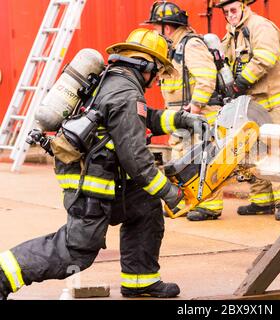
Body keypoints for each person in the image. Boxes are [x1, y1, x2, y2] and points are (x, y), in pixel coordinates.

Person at [0, 28, 208, 300]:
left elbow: (137, 120)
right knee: (76, 251)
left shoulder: (113, 80)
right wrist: (171, 193)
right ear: (146, 64)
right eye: (157, 70)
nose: (156, 78)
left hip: (107, 177)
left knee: (145, 208)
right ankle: (3, 275)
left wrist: (180, 119)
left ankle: (140, 281)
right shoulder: (126, 92)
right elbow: (137, 160)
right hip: (93, 184)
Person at [216, 0, 280, 221]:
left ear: (244, 7)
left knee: (278, 151)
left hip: (274, 103)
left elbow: (265, 58)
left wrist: (240, 82)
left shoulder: (260, 26)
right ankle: (261, 201)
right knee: (253, 152)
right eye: (226, 12)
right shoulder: (231, 36)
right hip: (250, 105)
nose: (230, 15)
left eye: (233, 10)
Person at [143, 1, 224, 222]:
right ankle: (186, 203)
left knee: (202, 159)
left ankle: (210, 206)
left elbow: (207, 76)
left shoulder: (191, 45)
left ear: (166, 28)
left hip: (199, 114)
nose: (154, 32)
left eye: (155, 28)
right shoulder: (173, 47)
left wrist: (196, 105)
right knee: (181, 161)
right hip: (180, 116)